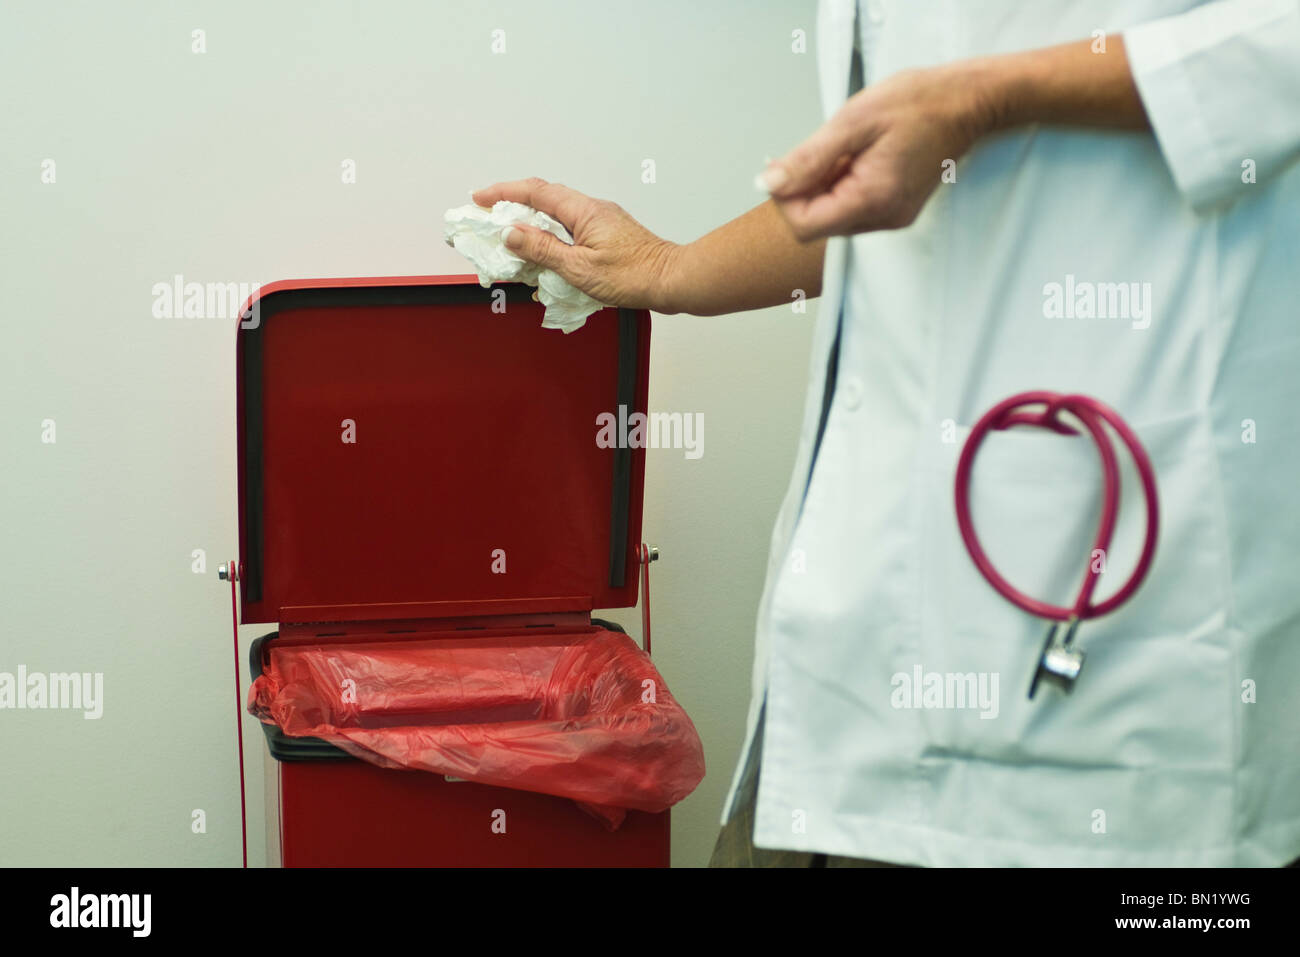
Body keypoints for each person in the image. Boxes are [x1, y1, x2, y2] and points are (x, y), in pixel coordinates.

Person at [472, 0, 1300, 867]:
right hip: (846, 652)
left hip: (1108, 655)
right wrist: (669, 270)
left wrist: (990, 95)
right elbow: (915, 196)